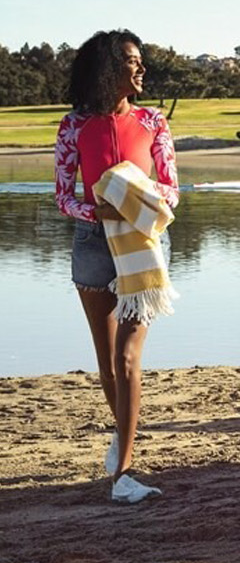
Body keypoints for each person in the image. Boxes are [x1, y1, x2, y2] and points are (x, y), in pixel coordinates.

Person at [53, 30, 178, 505]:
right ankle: (122, 446)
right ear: (107, 68)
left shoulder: (153, 121)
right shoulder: (72, 126)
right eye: (132, 61)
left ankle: (123, 474)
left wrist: (133, 196)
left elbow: (171, 190)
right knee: (108, 364)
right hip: (92, 245)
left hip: (142, 245)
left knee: (127, 357)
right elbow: (65, 196)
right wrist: (98, 212)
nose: (141, 68)